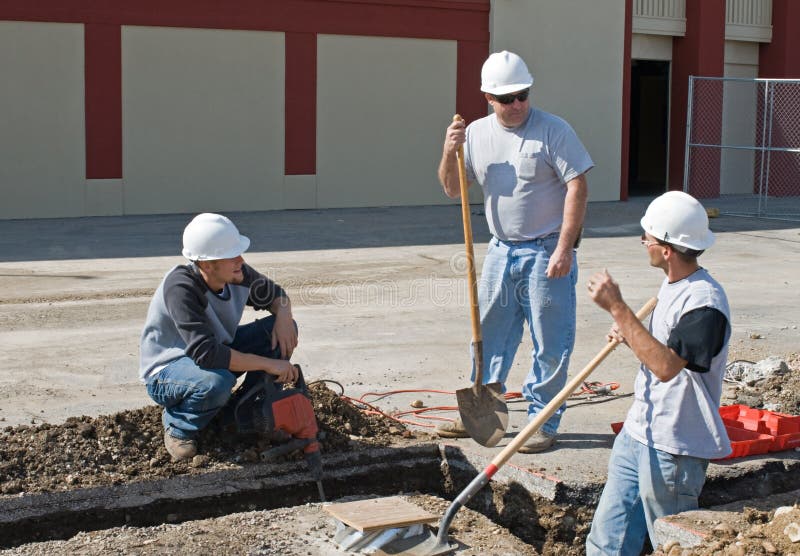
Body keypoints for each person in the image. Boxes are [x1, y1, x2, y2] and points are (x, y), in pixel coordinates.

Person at [436, 50, 594, 452]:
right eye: (507, 99)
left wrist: (565, 247)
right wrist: (448, 151)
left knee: (550, 341)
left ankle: (543, 420)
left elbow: (578, 185)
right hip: (501, 251)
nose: (517, 104)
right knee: (490, 335)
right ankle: (484, 412)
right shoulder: (474, 134)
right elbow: (454, 189)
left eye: (523, 95)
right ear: (489, 97)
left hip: (546, 250)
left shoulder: (553, 131)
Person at [585, 191, 732, 555]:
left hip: (674, 449)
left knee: (674, 545)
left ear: (666, 249)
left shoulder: (705, 304)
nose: (643, 243)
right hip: (640, 432)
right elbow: (661, 349)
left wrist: (619, 309)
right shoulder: (674, 285)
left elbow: (667, 367)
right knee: (607, 542)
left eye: (647, 237)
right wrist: (631, 333)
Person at [139, 213, 299, 461]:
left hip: (213, 356)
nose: (240, 260)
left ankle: (248, 411)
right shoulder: (181, 288)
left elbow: (276, 294)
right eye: (231, 256)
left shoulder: (238, 274)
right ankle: (179, 426)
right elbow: (207, 354)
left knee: (278, 331)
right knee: (216, 382)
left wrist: (285, 314)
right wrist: (270, 364)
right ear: (206, 264)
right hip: (168, 372)